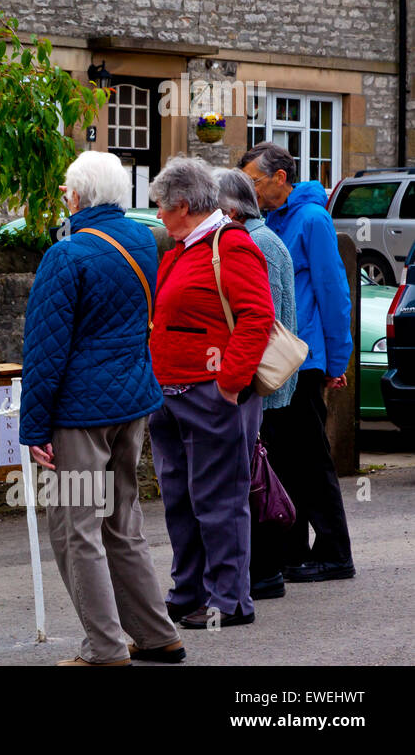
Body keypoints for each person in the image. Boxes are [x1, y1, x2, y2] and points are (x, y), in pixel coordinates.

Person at [19, 150, 182, 666]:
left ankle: (106, 648)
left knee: (75, 529)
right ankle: (158, 635)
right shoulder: (145, 240)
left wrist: (33, 427)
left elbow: (45, 351)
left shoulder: (66, 255)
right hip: (133, 402)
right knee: (121, 521)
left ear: (76, 195)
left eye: (67, 190)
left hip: (80, 414)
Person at [148, 156, 274, 629]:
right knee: (180, 499)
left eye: (162, 207)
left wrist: (228, 386)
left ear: (183, 205)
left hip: (210, 396)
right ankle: (189, 592)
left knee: (218, 502)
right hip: (173, 395)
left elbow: (257, 318)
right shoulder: (186, 246)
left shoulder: (232, 245)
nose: (158, 216)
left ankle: (230, 600)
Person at [237, 142, 355, 582]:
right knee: (285, 461)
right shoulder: (272, 221)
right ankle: (293, 551)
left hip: (304, 361)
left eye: (254, 180)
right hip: (281, 361)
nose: (250, 188)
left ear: (280, 178)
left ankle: (335, 553)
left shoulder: (312, 219)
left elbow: (333, 293)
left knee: (312, 461)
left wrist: (336, 361)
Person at [215, 168, 299, 599]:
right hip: (270, 379)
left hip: (261, 381)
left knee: (256, 478)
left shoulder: (254, 244)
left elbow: (258, 320)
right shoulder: (266, 239)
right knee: (261, 473)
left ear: (230, 209)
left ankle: (264, 572)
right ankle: (267, 569)